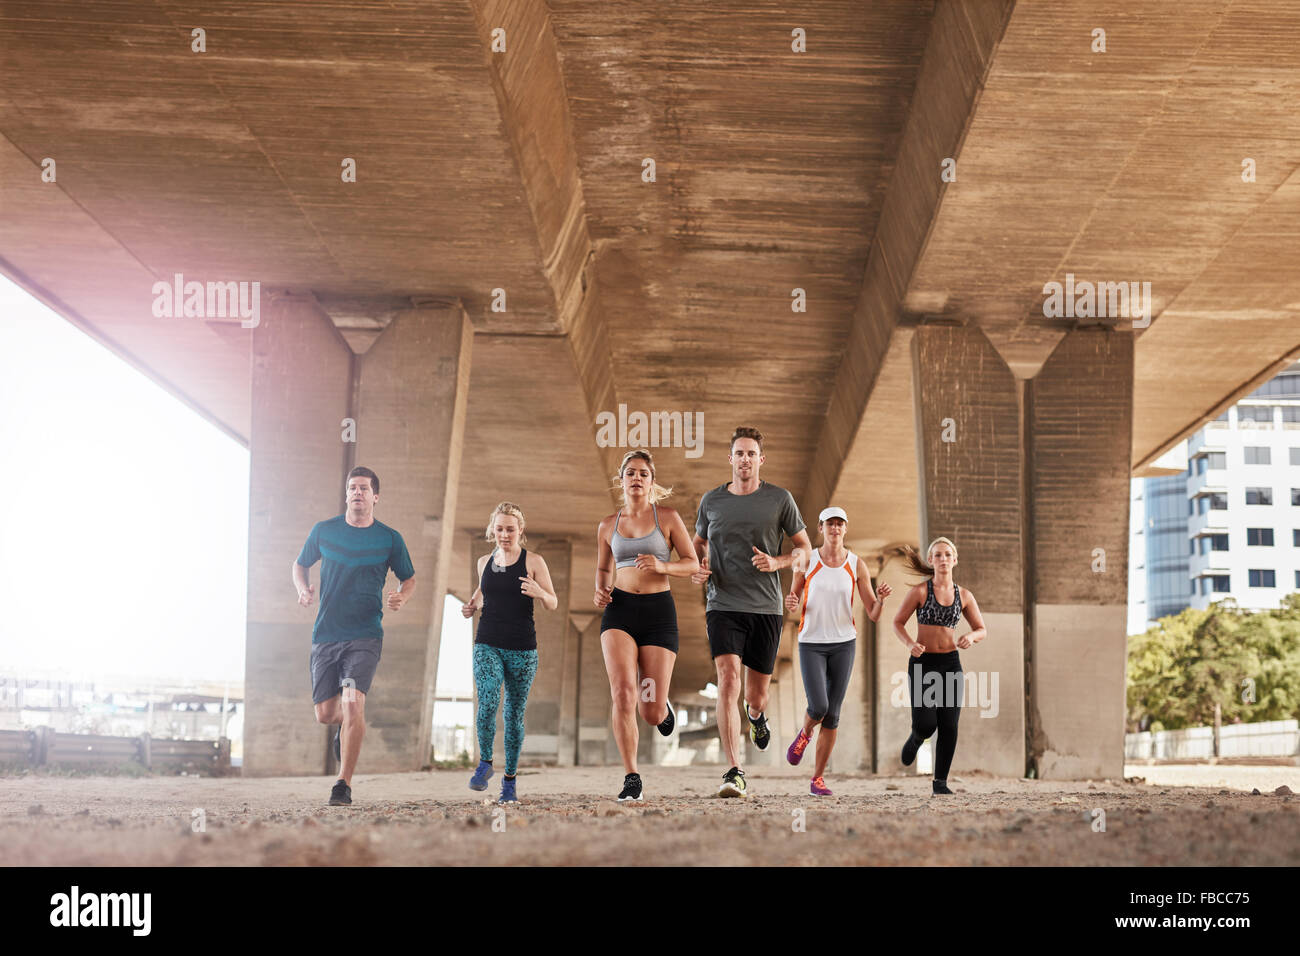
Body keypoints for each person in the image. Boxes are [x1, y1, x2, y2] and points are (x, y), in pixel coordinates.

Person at [692, 426, 813, 797]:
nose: (745, 459)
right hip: (723, 603)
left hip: (765, 608)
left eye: (751, 454)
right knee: (728, 679)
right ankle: (733, 771)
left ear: (761, 460)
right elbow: (698, 542)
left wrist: (777, 563)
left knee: (754, 696)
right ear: (730, 459)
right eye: (739, 453)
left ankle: (757, 718)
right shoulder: (711, 501)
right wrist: (700, 563)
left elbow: (805, 549)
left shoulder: (780, 499)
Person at [294, 466, 416, 807]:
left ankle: (342, 784)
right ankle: (346, 731)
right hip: (326, 635)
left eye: (363, 488)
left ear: (375, 496)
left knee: (352, 703)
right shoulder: (324, 531)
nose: (357, 493)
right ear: (346, 495)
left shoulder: (389, 538)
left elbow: (409, 579)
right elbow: (299, 565)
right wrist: (303, 589)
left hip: (364, 636)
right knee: (326, 713)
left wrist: (401, 597)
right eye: (352, 488)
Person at [594, 450, 700, 801]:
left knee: (650, 712)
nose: (636, 478)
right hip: (619, 613)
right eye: (630, 473)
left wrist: (661, 566)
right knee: (623, 692)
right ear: (621, 480)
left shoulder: (667, 517)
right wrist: (600, 589)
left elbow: (691, 564)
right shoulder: (608, 525)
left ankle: (661, 705)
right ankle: (631, 777)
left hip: (657, 614)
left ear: (651, 482)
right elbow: (603, 568)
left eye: (643, 473)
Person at [783, 506, 891, 795]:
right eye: (829, 523)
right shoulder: (808, 561)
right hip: (811, 643)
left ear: (845, 529)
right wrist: (791, 603)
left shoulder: (856, 565)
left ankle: (817, 779)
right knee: (819, 706)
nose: (835, 528)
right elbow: (793, 597)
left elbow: (873, 613)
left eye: (839, 524)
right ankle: (805, 734)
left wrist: (880, 600)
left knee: (832, 715)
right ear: (820, 528)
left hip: (844, 643)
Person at [461, 502, 558, 804]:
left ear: (520, 531)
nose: (504, 534)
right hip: (487, 641)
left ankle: (510, 782)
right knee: (488, 698)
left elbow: (553, 601)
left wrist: (540, 593)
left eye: (510, 529)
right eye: (499, 529)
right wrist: (471, 605)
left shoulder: (534, 562)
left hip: (522, 649)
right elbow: (481, 593)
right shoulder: (483, 561)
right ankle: (486, 763)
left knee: (514, 714)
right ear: (493, 530)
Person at [890, 537, 987, 795]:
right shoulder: (921, 592)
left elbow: (981, 629)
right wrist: (910, 643)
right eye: (938, 555)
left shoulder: (964, 595)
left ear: (954, 560)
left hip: (950, 664)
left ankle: (940, 782)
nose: (943, 559)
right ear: (931, 561)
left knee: (949, 725)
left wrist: (971, 637)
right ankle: (916, 737)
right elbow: (897, 622)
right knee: (926, 723)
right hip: (923, 663)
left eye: (947, 555)